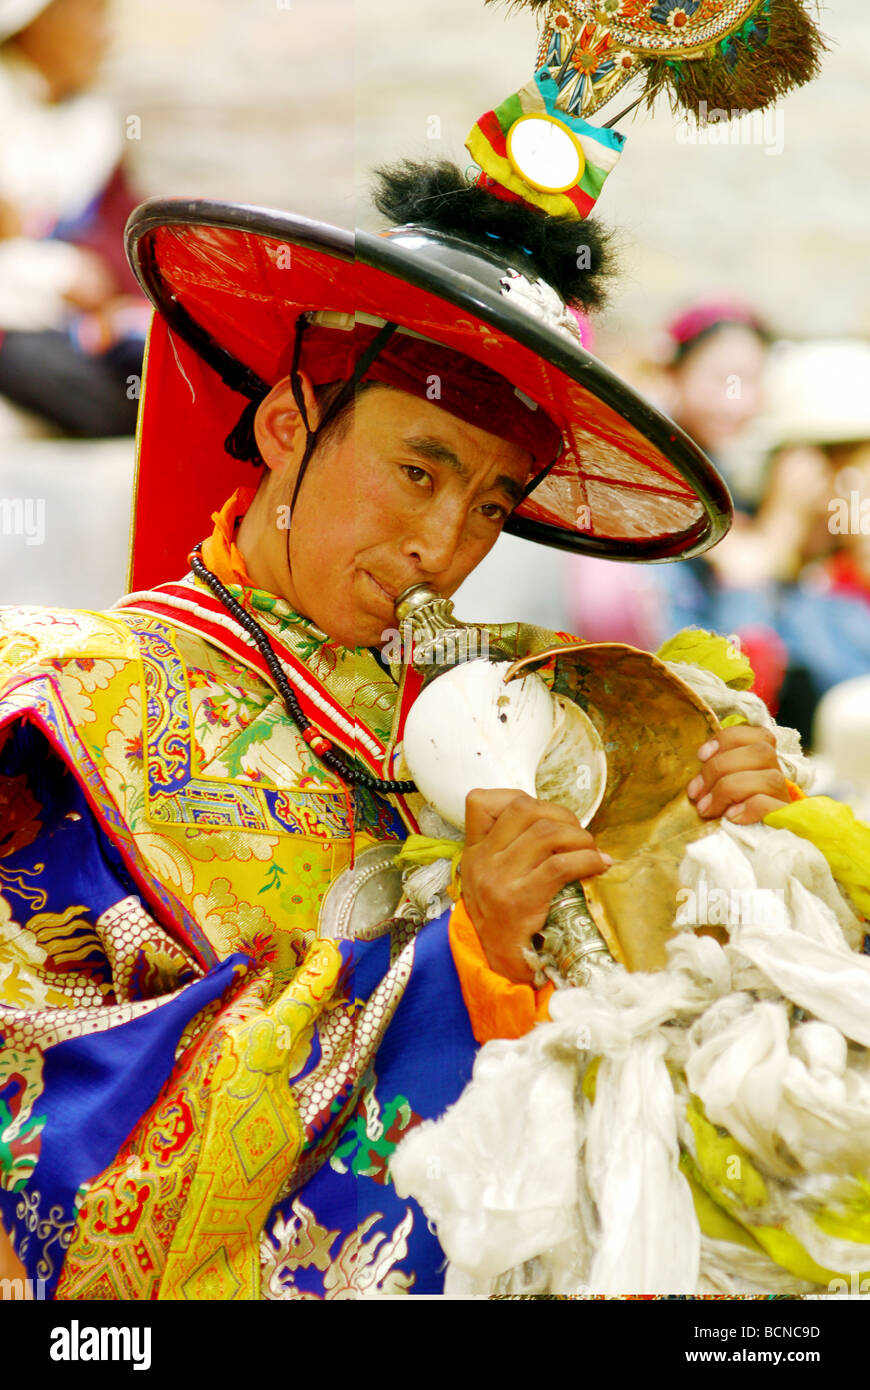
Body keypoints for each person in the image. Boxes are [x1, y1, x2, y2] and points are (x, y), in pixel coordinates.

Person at [0, 1, 837, 1299]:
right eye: (415, 468)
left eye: (493, 503)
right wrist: (454, 962)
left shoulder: (533, 700)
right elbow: (44, 1150)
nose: (445, 546)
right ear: (288, 422)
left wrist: (719, 828)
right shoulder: (68, 702)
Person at [0, 0, 148, 437]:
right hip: (20, 333)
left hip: (82, 330)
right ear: (37, 19)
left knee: (151, 369)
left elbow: (124, 238)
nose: (105, 35)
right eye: (93, 13)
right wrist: (56, 274)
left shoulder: (93, 129)